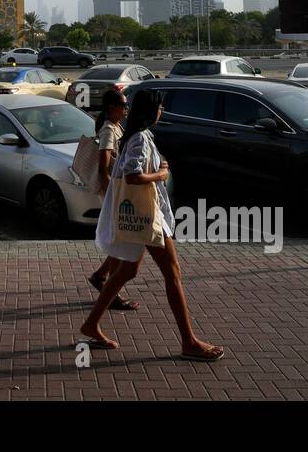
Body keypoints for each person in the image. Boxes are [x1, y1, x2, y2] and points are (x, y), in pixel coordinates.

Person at [79, 88, 224, 360]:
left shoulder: (135, 135)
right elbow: (133, 176)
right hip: (147, 215)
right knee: (172, 274)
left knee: (126, 272)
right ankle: (189, 341)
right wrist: (161, 173)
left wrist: (157, 169)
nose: (162, 111)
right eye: (160, 107)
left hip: (139, 214)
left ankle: (91, 324)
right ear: (151, 111)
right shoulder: (139, 139)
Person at [87, 89, 139, 311]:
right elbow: (103, 165)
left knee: (119, 241)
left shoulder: (116, 127)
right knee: (119, 243)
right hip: (114, 194)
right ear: (111, 107)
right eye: (123, 105)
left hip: (117, 192)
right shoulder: (109, 130)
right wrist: (112, 196)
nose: (126, 109)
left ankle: (101, 276)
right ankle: (109, 290)